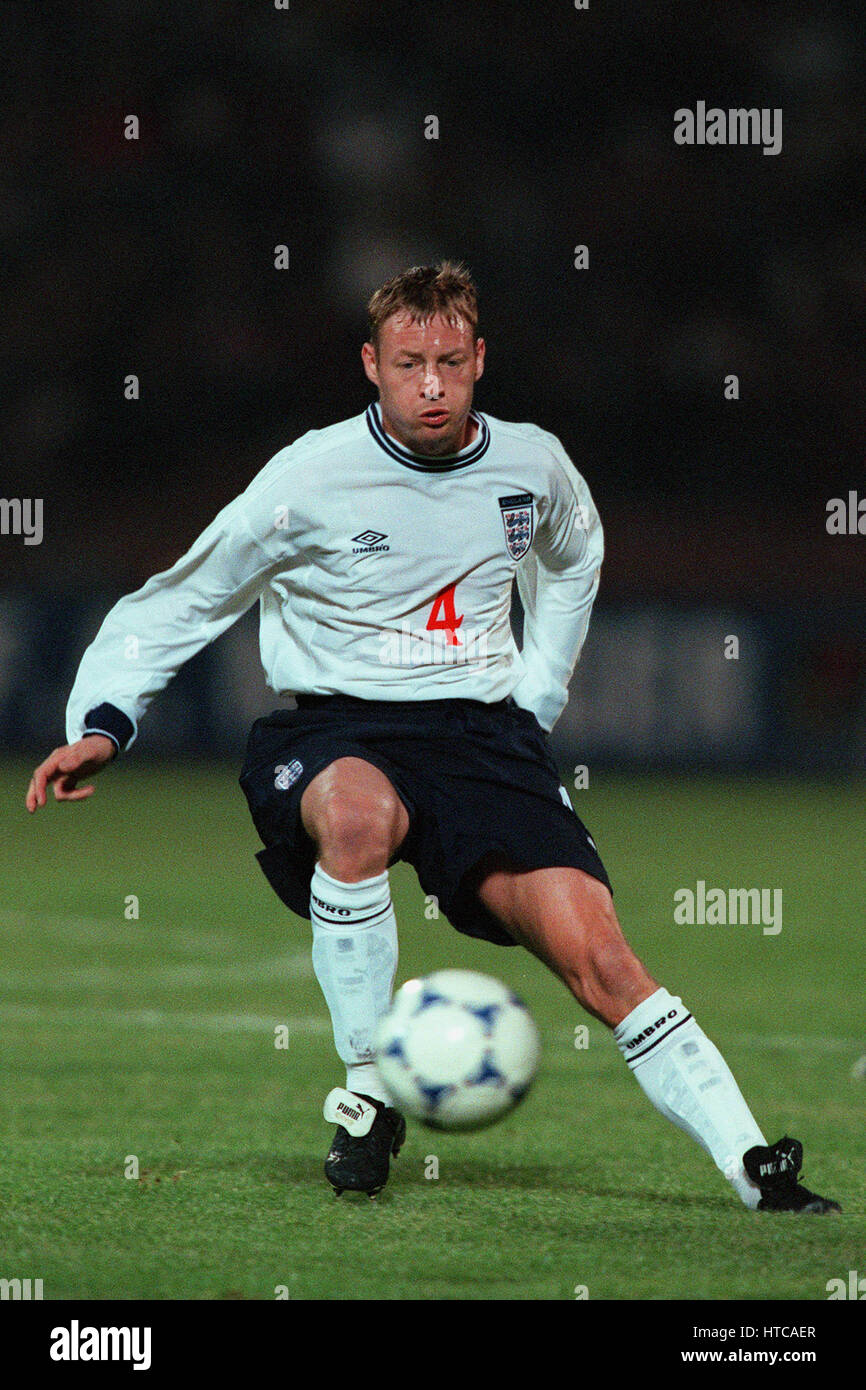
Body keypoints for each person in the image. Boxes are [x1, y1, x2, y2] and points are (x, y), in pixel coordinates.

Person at [27, 262, 838, 1211]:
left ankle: (753, 1169)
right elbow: (183, 596)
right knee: (359, 817)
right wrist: (103, 722)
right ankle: (368, 1094)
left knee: (604, 963)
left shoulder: (532, 464)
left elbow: (577, 559)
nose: (432, 385)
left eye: (451, 361)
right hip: (337, 725)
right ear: (370, 364)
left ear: (480, 359)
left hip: (483, 741)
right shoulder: (310, 475)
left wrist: (536, 698)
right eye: (409, 363)